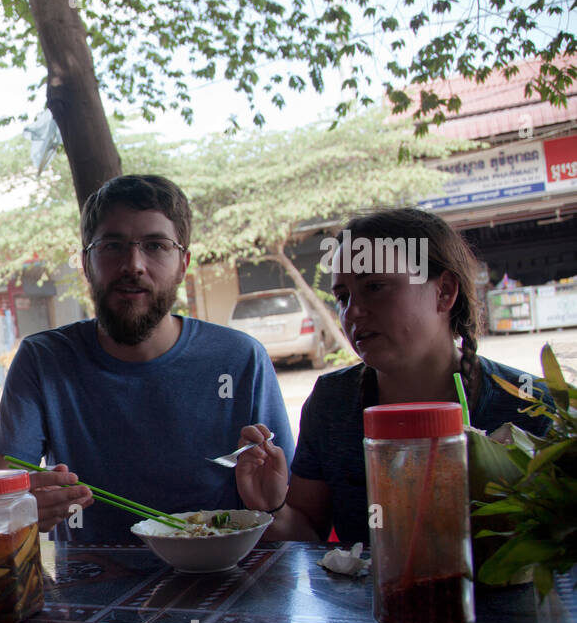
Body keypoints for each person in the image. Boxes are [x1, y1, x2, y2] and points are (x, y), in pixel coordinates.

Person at [0, 174, 295, 543]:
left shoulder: (241, 358)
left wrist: (271, 509)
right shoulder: (43, 360)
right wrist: (20, 507)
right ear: (86, 263)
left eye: (156, 245)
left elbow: (291, 522)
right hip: (91, 592)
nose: (133, 264)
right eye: (112, 245)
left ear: (183, 263)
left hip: (223, 585)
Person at [234, 207, 552, 545]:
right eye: (343, 297)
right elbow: (308, 534)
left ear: (443, 291)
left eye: (375, 286)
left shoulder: (530, 406)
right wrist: (272, 508)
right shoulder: (333, 402)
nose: (353, 311)